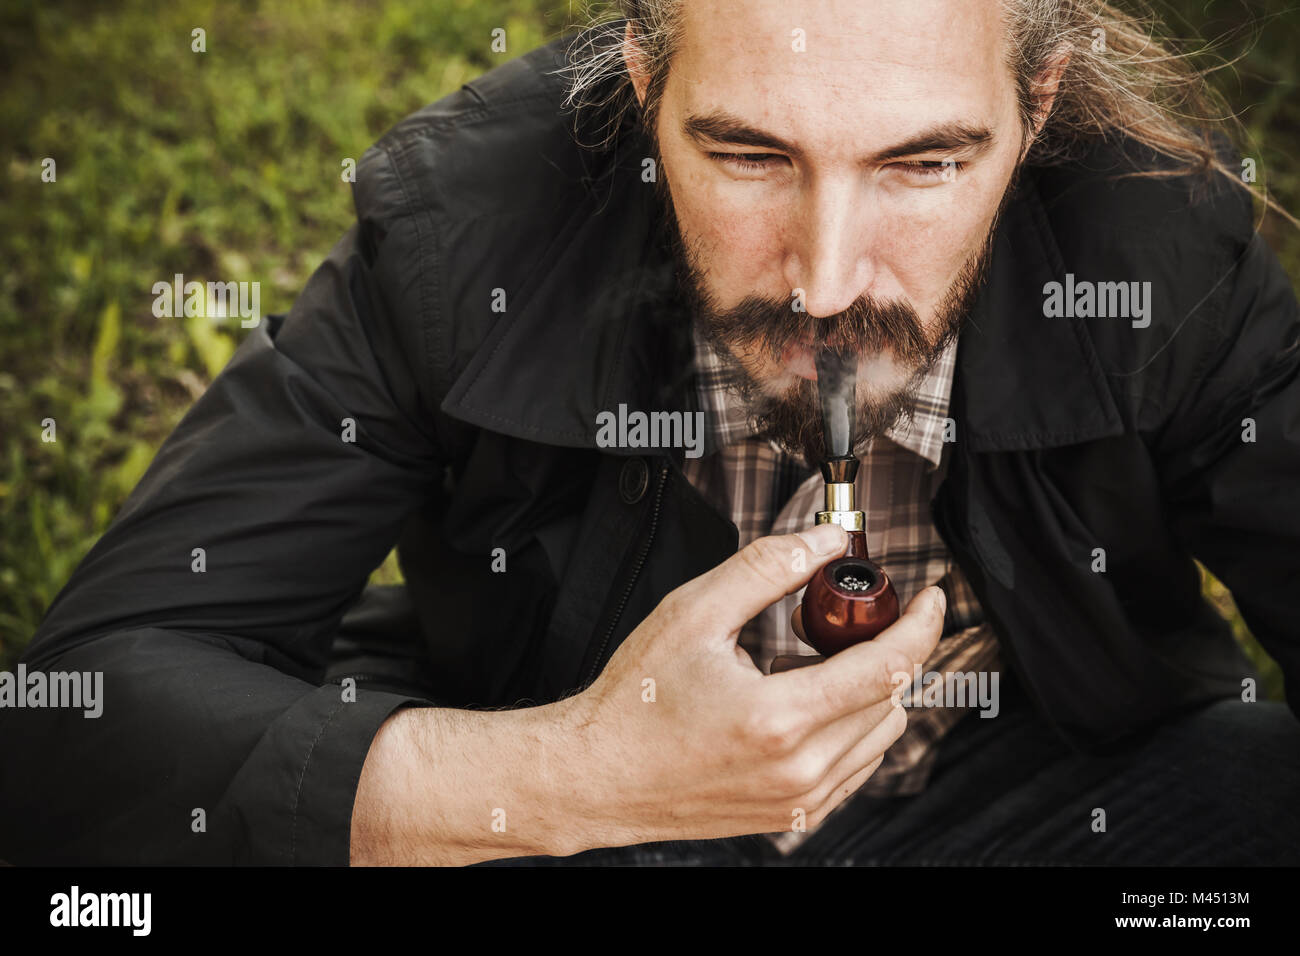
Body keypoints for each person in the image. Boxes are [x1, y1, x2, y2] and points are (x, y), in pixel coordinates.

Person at [2, 0, 1298, 866]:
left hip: (1036, 788)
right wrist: (579, 772)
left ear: (1042, 100)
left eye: (924, 165)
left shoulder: (1161, 246)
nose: (827, 281)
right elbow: (83, 715)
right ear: (641, 78)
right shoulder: (464, 236)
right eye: (745, 154)